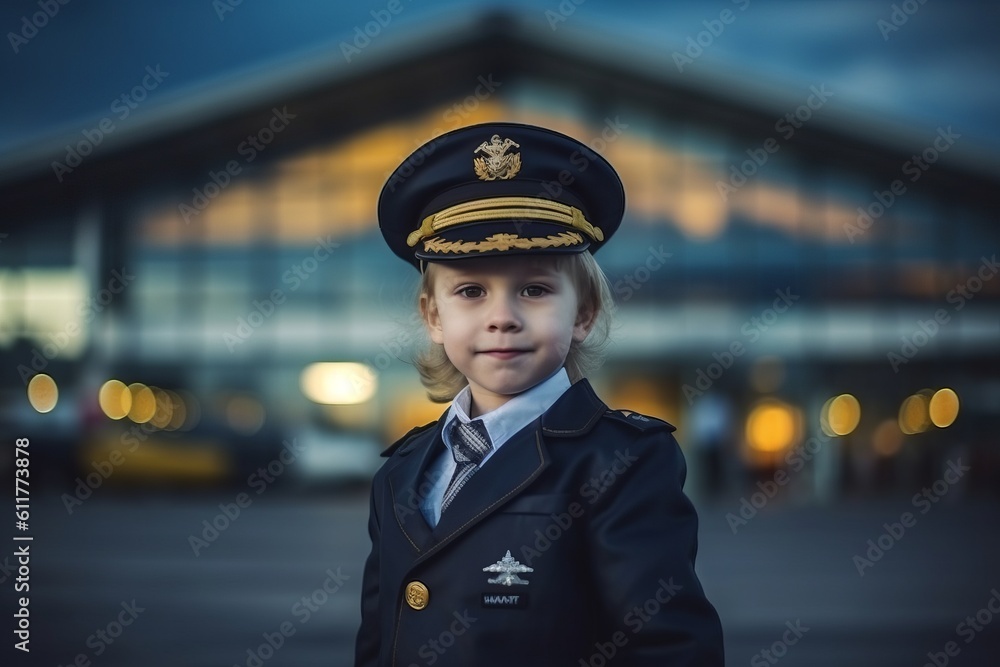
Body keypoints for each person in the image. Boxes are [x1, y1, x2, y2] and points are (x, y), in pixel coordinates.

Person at [355, 122, 724, 666]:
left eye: (534, 289)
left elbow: (669, 648)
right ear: (433, 316)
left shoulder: (623, 460)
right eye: (470, 291)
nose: (502, 317)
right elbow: (376, 640)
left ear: (584, 314)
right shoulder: (401, 470)